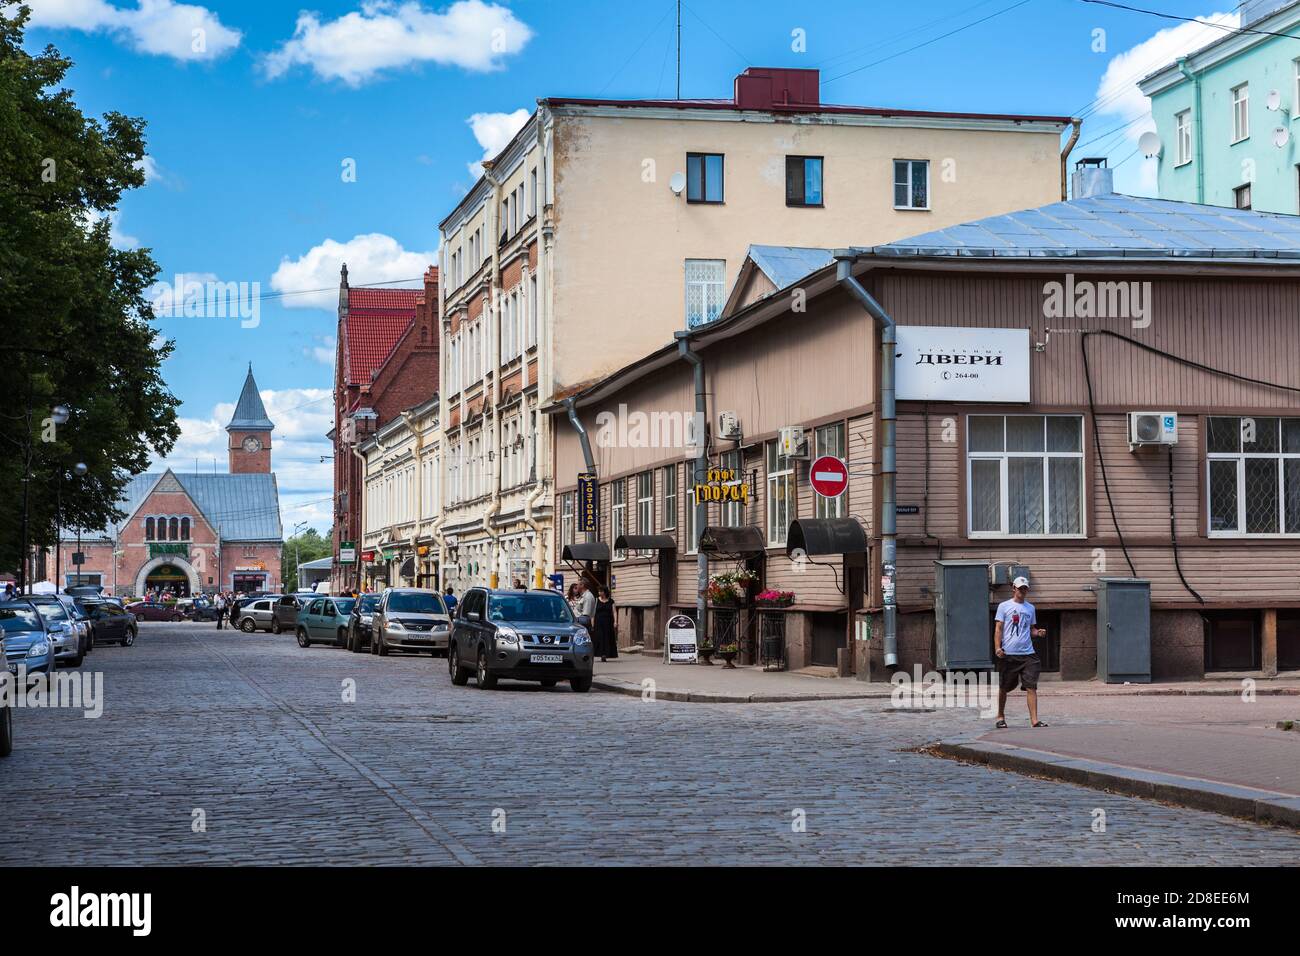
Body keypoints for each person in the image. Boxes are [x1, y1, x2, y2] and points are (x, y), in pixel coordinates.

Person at [994, 576, 1048, 728]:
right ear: (1014, 589)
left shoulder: (1030, 608)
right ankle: (1000, 716)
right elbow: (998, 629)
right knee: (1004, 687)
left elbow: (1031, 630)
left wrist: (1039, 633)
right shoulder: (1004, 606)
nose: (1023, 591)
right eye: (1020, 588)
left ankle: (1034, 720)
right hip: (1009, 654)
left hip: (1028, 654)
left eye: (1025, 588)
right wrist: (998, 648)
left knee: (1031, 686)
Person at [592, 586, 617, 662]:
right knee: (600, 638)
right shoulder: (596, 600)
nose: (599, 593)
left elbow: (614, 612)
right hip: (598, 622)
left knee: (607, 638)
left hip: (608, 623)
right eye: (599, 591)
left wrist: (615, 622)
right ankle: (601, 654)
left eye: (601, 591)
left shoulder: (611, 601)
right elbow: (593, 613)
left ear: (605, 592)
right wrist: (592, 623)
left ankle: (605, 654)